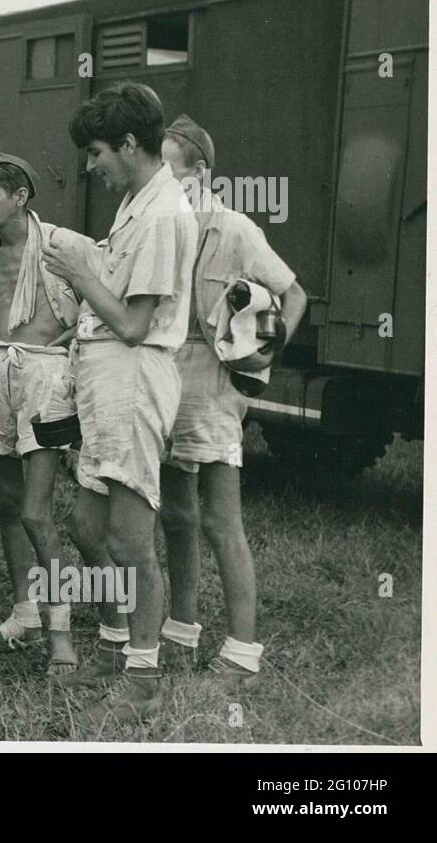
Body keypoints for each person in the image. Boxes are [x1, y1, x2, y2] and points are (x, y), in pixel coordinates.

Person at [42, 82, 198, 728]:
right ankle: (120, 638)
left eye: (98, 152)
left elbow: (134, 324)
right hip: (104, 382)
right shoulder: (138, 202)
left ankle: (145, 675)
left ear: (130, 145)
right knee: (86, 525)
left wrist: (80, 273)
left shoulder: (164, 214)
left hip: (134, 378)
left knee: (132, 541)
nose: (91, 165)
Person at [157, 114, 307, 686]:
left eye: (171, 167)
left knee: (222, 519)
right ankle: (181, 628)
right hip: (164, 375)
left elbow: (294, 293)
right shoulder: (157, 224)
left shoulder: (236, 228)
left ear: (201, 171)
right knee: (175, 514)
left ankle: (244, 653)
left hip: (215, 383)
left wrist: (269, 350)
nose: (163, 180)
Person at [0, 152, 81, 674]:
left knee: (36, 512)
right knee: (8, 505)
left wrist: (70, 344)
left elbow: (106, 300)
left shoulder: (58, 242)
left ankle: (61, 635)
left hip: (44, 375)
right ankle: (24, 614)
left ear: (21, 198)